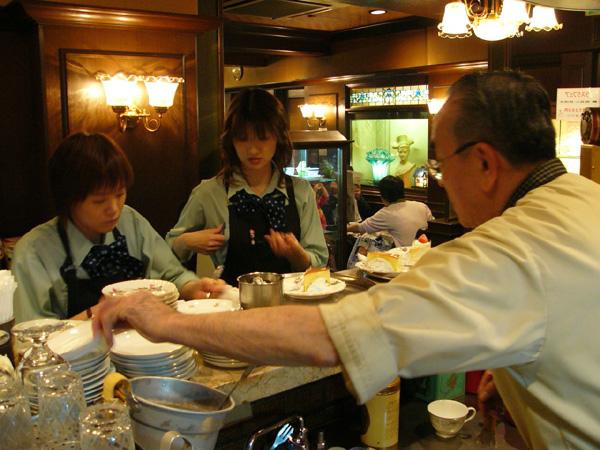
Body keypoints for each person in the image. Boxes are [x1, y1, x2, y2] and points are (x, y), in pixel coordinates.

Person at [95, 71, 600, 449]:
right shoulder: (584, 199)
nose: (440, 178)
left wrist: (163, 321)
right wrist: (516, 369)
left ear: (486, 163)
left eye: (442, 163)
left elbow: (325, 338)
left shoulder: (506, 250)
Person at [12, 133, 224, 322]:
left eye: (120, 194)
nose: (114, 209)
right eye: (99, 201)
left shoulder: (130, 221)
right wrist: (96, 312)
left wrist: (194, 287)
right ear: (69, 200)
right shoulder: (33, 252)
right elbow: (30, 340)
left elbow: (172, 276)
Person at [166, 88, 328, 285]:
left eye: (263, 138)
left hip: (290, 306)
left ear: (278, 137)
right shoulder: (208, 193)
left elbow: (318, 263)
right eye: (242, 138)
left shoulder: (301, 191)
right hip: (232, 304)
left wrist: (296, 254)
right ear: (230, 140)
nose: (253, 149)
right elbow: (165, 253)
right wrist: (185, 242)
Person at [347, 175, 433, 247]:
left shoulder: (386, 213)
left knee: (365, 240)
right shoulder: (422, 206)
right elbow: (433, 225)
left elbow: (361, 228)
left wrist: (343, 229)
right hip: (425, 253)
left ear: (383, 196)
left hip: (403, 257)